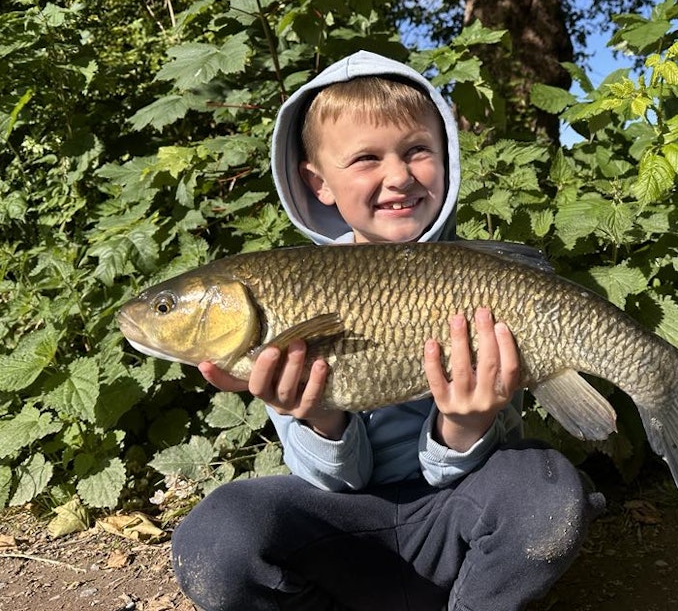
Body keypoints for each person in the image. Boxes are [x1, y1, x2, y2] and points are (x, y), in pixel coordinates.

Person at [170, 50, 604, 610]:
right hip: (345, 531)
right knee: (216, 535)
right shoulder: (283, 291)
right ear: (318, 182)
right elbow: (335, 482)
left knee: (546, 489)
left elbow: (479, 460)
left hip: (458, 521)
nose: (397, 175)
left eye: (417, 150)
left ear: (445, 154)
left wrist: (464, 425)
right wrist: (320, 415)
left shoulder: (479, 279)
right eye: (366, 158)